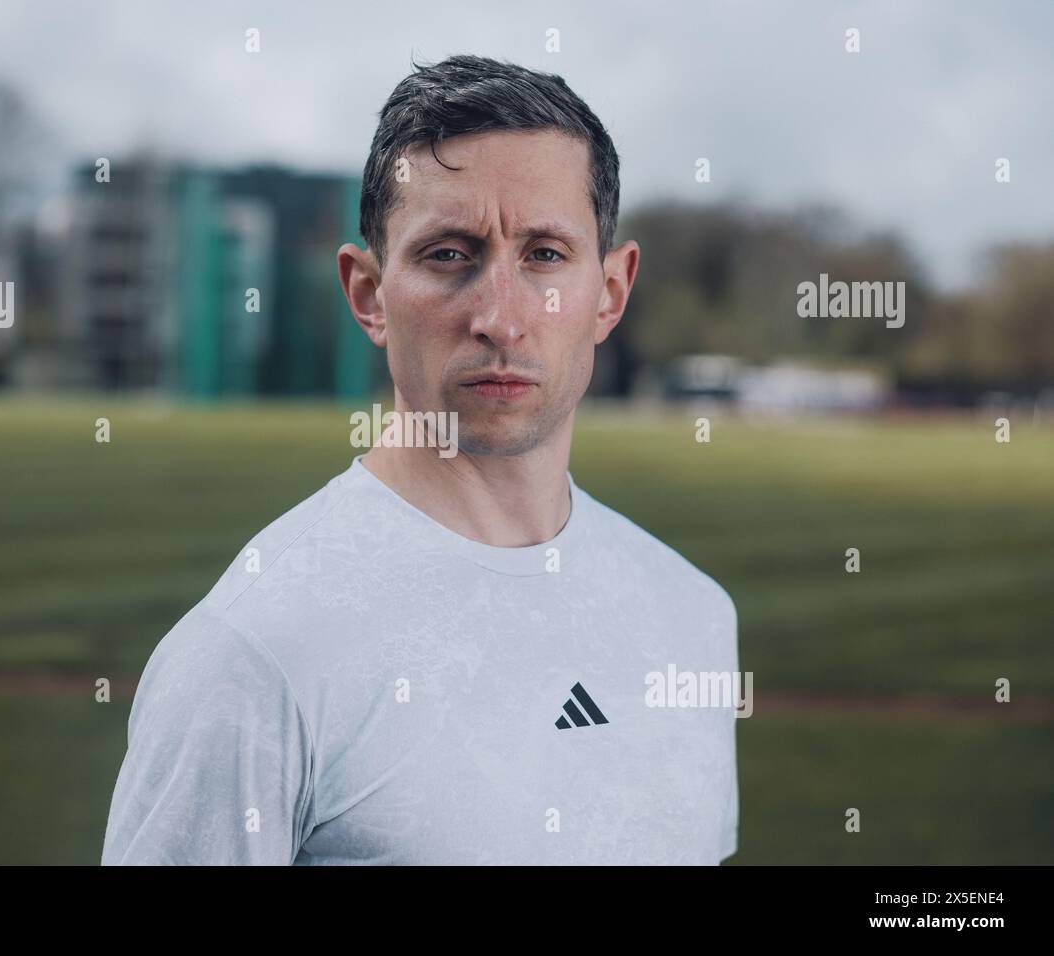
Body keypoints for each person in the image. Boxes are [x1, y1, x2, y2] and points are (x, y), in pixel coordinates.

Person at [102, 54, 739, 865]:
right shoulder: (252, 654)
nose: (500, 318)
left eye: (544, 255)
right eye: (449, 254)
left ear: (610, 292)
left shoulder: (694, 617)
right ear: (367, 294)